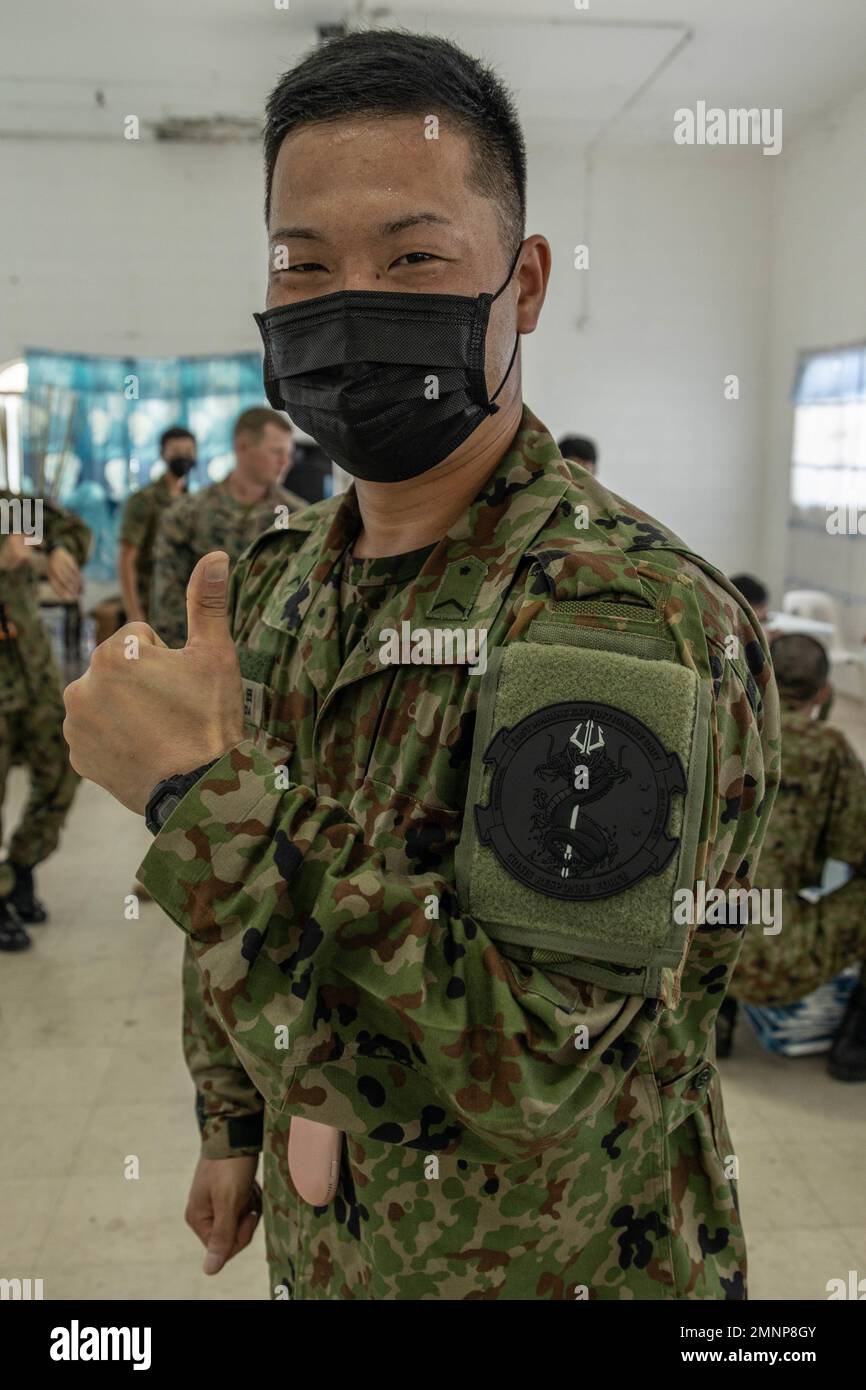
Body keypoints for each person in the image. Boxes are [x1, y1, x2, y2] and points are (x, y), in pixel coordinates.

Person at [63, 28, 779, 1301]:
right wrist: (231, 1119)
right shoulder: (277, 579)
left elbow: (532, 1067)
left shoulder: (614, 615)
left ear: (524, 283)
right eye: (302, 265)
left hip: (549, 1266)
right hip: (332, 1248)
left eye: (411, 258)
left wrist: (191, 796)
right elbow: (232, 910)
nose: (348, 305)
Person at [721, 634, 866, 1080]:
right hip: (781, 956)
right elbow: (857, 849)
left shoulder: (723, 730)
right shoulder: (830, 750)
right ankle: (855, 1048)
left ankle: (716, 1023)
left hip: (701, 946)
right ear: (823, 693)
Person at [0, 494, 91, 951]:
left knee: (63, 767)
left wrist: (57, 549)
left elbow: (71, 529)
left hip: (31, 672)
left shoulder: (6, 507)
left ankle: (20, 866)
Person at [149, 408, 305, 649]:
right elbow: (168, 602)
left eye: (288, 453)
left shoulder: (299, 518)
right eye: (276, 452)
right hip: (202, 654)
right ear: (242, 447)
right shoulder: (187, 514)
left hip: (273, 657)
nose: (285, 462)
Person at [118, 426, 197, 624]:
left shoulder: (194, 502)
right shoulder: (145, 500)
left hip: (185, 611)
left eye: (188, 451)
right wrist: (134, 612)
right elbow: (127, 558)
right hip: (151, 607)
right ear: (163, 454)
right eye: (176, 451)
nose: (183, 457)